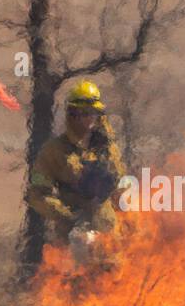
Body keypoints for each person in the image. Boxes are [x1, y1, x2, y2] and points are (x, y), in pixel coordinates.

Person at [26, 80, 126, 263]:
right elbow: (37, 194)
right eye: (77, 113)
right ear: (70, 115)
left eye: (88, 113)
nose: (83, 118)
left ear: (98, 115)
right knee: (77, 288)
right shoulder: (54, 151)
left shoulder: (108, 149)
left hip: (108, 239)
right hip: (71, 242)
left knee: (116, 286)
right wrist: (69, 217)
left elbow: (119, 192)